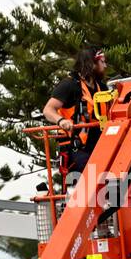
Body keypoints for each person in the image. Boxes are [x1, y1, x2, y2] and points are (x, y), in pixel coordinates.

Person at [41, 47, 108, 176]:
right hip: (75, 147)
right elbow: (48, 110)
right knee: (93, 172)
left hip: (99, 143)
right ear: (92, 63)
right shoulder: (69, 85)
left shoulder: (102, 87)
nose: (105, 66)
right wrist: (61, 121)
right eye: (102, 62)